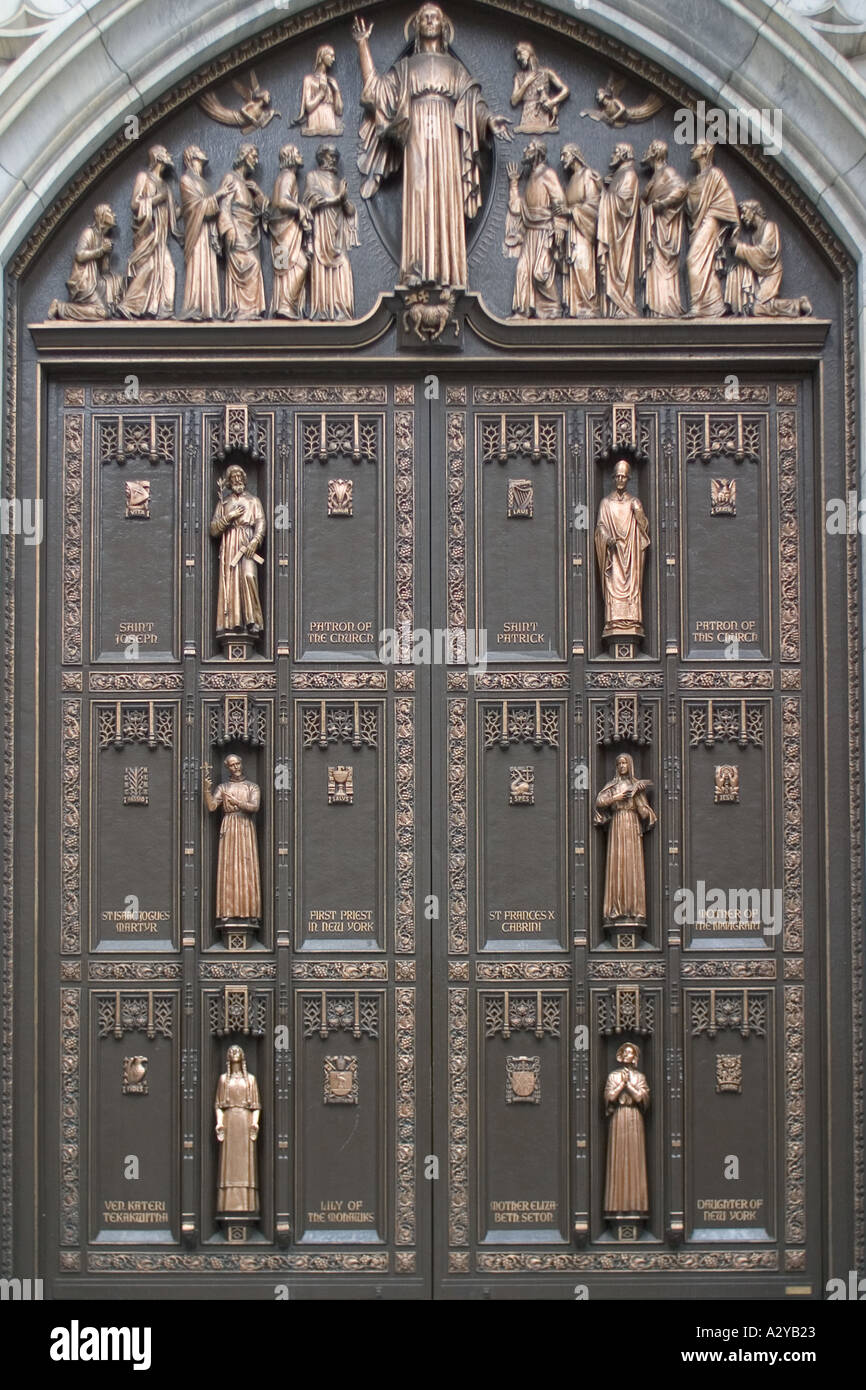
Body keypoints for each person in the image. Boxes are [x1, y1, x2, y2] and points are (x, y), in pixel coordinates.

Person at [353, 4, 512, 290]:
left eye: (434, 17)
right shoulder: (405, 68)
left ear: (442, 26)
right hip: (416, 140)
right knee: (420, 192)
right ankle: (416, 267)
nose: (429, 21)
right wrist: (363, 45)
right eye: (424, 17)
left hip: (448, 140)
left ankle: (448, 270)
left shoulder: (455, 69)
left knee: (445, 194)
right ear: (416, 26)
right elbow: (376, 92)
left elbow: (473, 103)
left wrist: (488, 121)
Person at [504, 141, 566, 319]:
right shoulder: (532, 177)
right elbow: (517, 208)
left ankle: (552, 308)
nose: (524, 149)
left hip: (545, 231)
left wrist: (559, 226)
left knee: (541, 272)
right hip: (531, 232)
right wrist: (514, 183)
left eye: (529, 147)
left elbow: (559, 201)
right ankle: (522, 311)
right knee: (522, 270)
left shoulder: (548, 174)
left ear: (538, 152)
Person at [594, 753, 657, 928]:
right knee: (617, 864)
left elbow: (644, 814)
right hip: (617, 824)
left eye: (624, 763)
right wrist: (616, 798)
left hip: (632, 825)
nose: (622, 766)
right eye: (619, 763)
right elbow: (599, 801)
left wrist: (638, 794)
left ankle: (633, 909)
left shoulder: (634, 785)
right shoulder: (612, 786)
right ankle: (615, 909)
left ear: (630, 765)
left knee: (631, 866)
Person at [117, 145, 179, 319]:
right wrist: (158, 199)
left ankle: (164, 309)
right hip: (146, 232)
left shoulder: (166, 186)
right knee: (149, 267)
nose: (169, 155)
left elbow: (173, 214)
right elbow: (135, 204)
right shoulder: (144, 177)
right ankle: (129, 305)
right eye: (166, 153)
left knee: (168, 269)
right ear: (158, 157)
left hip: (160, 236)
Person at [725, 199, 812, 317]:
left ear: (754, 211)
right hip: (760, 275)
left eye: (745, 212)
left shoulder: (770, 227)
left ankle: (798, 305)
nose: (742, 216)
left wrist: (739, 247)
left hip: (772, 273)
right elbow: (755, 259)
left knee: (757, 309)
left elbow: (766, 254)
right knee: (756, 306)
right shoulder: (754, 235)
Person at [595, 458, 650, 640]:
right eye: (617, 476)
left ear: (628, 479)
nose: (620, 480)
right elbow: (600, 527)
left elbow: (644, 529)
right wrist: (608, 539)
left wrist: (639, 512)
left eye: (623, 477)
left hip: (631, 555)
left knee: (633, 586)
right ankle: (613, 622)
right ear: (612, 478)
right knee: (613, 584)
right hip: (614, 554)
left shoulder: (634, 502)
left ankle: (633, 622)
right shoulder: (606, 503)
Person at [203, 755, 262, 927]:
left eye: (238, 763)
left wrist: (237, 802)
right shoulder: (223, 787)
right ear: (228, 768)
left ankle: (251, 912)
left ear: (242, 764)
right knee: (229, 867)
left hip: (245, 827)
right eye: (232, 765)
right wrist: (207, 790)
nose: (236, 767)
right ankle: (226, 912)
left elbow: (254, 807)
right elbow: (212, 806)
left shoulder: (252, 787)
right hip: (229, 826)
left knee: (247, 868)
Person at [210, 464, 265, 639]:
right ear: (229, 482)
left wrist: (255, 541)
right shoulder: (224, 502)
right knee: (231, 581)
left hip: (247, 543)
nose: (237, 480)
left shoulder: (254, 501)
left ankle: (253, 620)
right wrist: (229, 516)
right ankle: (231, 623)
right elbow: (213, 530)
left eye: (240, 477)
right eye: (233, 478)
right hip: (230, 545)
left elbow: (261, 522)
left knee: (249, 576)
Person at [303, 143, 358, 320]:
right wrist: (337, 198)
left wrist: (344, 200)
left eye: (335, 157)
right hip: (321, 227)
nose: (333, 159)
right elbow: (314, 202)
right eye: (330, 156)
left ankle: (342, 310)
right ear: (322, 157)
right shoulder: (313, 177)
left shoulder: (338, 181)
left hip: (337, 233)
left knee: (343, 264)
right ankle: (322, 310)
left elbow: (348, 210)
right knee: (320, 264)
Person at [685, 141, 738, 317]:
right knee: (705, 264)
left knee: (693, 260)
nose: (693, 149)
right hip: (697, 225)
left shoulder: (715, 175)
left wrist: (735, 227)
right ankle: (715, 306)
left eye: (697, 146)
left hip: (710, 220)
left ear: (706, 151)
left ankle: (697, 306)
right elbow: (689, 206)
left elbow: (727, 200)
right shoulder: (693, 181)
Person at [217, 143, 268, 319]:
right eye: (253, 156)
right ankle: (241, 309)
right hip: (237, 231)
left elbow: (262, 211)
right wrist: (228, 228)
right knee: (250, 263)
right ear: (244, 156)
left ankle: (251, 310)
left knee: (255, 263)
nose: (255, 160)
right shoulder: (230, 178)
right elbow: (224, 205)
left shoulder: (249, 184)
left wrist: (258, 193)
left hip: (250, 232)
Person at [48, 203, 123, 320]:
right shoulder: (89, 233)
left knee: (118, 281)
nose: (114, 214)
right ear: (101, 216)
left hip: (96, 281)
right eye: (110, 212)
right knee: (102, 313)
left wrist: (106, 255)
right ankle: (60, 308)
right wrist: (101, 250)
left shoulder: (103, 238)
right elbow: (79, 255)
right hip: (84, 282)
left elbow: (104, 271)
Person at [640, 139, 687, 318]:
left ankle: (667, 307)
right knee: (655, 266)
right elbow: (644, 200)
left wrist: (663, 204)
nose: (645, 152)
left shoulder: (667, 172)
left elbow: (681, 189)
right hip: (654, 227)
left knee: (663, 267)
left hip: (663, 228)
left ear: (655, 153)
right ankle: (656, 307)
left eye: (649, 149)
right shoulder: (655, 176)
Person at [603, 1042, 650, 1218]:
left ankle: (637, 1206)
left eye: (630, 1052)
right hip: (619, 1118)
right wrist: (621, 1084)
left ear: (635, 1057)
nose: (626, 1055)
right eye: (624, 1052)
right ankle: (615, 1207)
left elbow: (641, 1098)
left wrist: (628, 1084)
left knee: (634, 1159)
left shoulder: (640, 1077)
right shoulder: (613, 1076)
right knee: (618, 1159)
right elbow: (609, 1097)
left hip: (634, 1118)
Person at [214, 1045, 261, 1214]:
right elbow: (218, 1105)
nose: (234, 1053)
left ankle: (247, 1204)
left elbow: (256, 1106)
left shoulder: (251, 1080)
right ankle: (227, 1204)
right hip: (230, 1123)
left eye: (237, 1050)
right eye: (231, 1051)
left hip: (244, 1122)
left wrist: (255, 1123)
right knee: (230, 1164)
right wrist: (220, 1123)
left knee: (245, 1163)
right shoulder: (222, 1080)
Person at [269, 143, 311, 319]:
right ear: (290, 157)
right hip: (285, 230)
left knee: (283, 266)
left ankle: (282, 305)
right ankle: (285, 305)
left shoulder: (283, 176)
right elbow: (281, 202)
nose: (300, 154)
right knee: (299, 265)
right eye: (297, 152)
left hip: (280, 229)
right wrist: (300, 208)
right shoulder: (289, 177)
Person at [179, 145, 221, 321]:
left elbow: (208, 208)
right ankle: (194, 305)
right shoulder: (186, 180)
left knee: (208, 265)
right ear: (192, 157)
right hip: (196, 231)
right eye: (199, 152)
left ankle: (207, 308)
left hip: (207, 230)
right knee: (198, 265)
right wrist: (219, 195)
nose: (203, 153)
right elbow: (193, 206)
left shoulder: (204, 182)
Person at [597, 143, 639, 317]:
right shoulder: (620, 174)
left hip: (621, 236)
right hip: (615, 234)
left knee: (621, 270)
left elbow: (624, 205)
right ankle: (614, 306)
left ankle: (624, 305)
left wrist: (602, 190)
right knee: (615, 269)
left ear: (624, 154)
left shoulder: (629, 174)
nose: (612, 155)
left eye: (615, 152)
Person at [560, 144, 601, 317]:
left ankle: (589, 305)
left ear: (575, 155)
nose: (562, 159)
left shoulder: (586, 176)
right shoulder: (572, 179)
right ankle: (577, 306)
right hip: (573, 229)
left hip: (583, 228)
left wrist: (571, 211)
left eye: (565, 155)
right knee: (574, 265)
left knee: (583, 264)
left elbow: (593, 203)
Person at [510, 41, 569, 134]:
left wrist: (553, 102)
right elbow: (514, 101)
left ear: (527, 52)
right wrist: (526, 83)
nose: (518, 58)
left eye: (519, 54)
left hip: (544, 117)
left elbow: (565, 90)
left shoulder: (546, 73)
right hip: (526, 119)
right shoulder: (519, 76)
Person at [295, 44, 344, 136]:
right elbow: (308, 107)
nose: (333, 59)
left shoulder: (332, 81)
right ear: (322, 56)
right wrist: (321, 93)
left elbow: (339, 111)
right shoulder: (309, 79)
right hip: (316, 119)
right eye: (331, 56)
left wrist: (336, 91)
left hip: (330, 120)